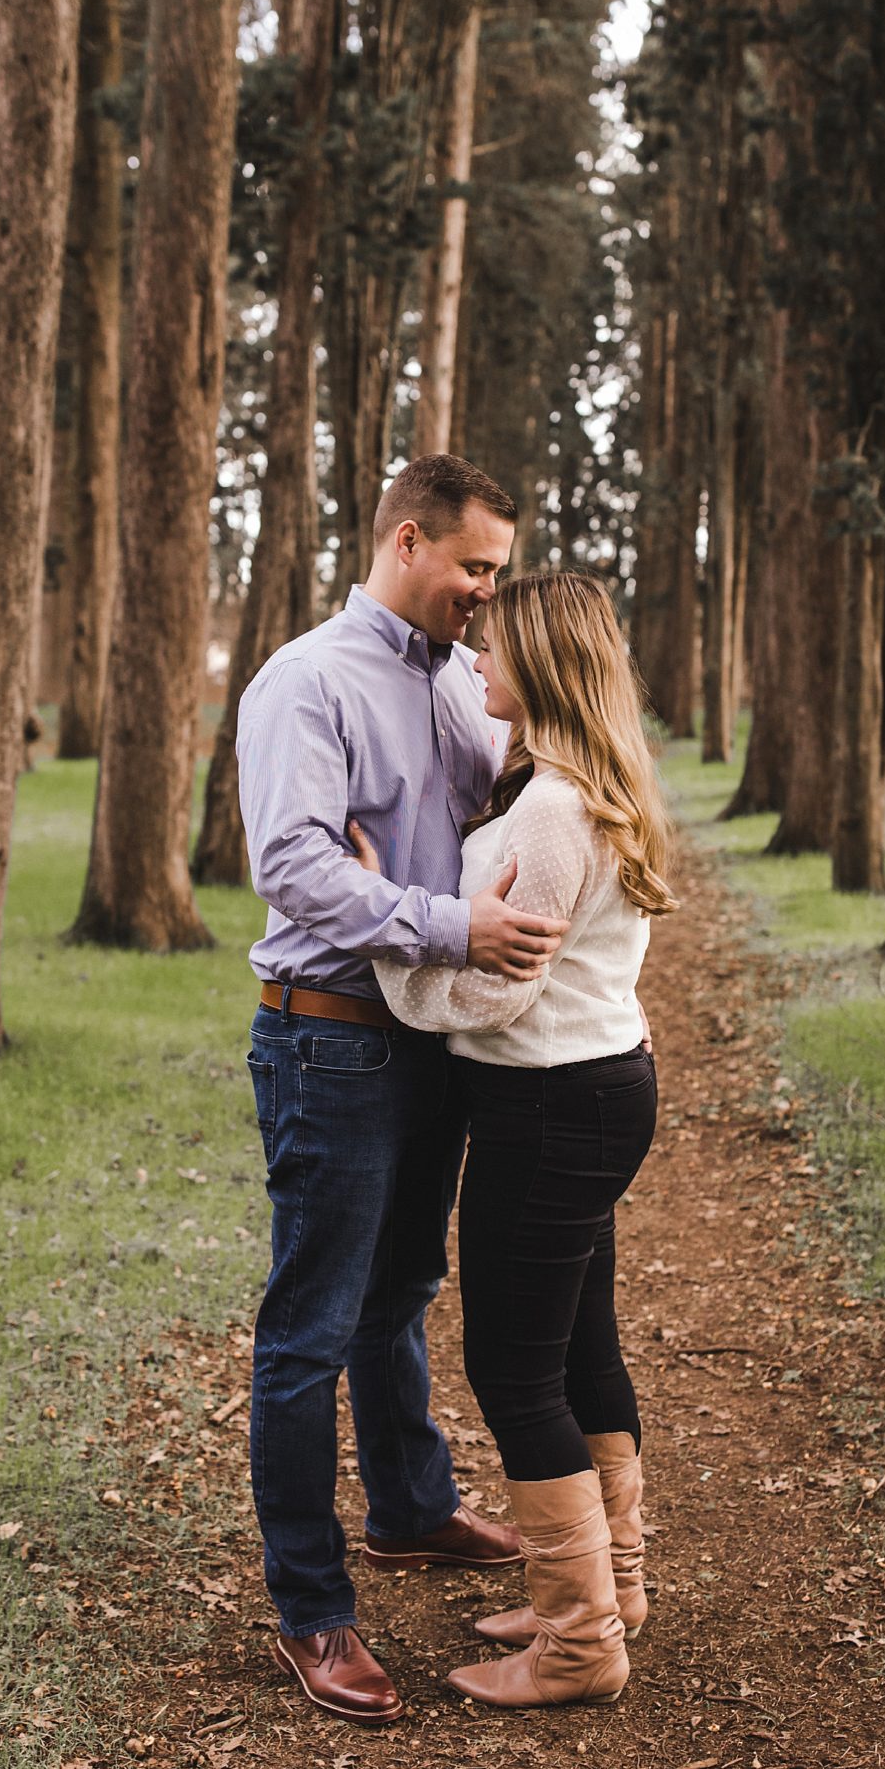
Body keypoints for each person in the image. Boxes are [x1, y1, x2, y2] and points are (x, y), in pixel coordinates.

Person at [238, 455, 570, 1726]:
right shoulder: (307, 681)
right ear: (409, 540)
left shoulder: (462, 690)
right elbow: (294, 868)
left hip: (432, 1038)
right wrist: (440, 921)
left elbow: (497, 816)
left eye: (496, 571)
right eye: (475, 566)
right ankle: (310, 1608)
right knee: (309, 1326)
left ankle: (411, 1507)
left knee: (404, 1292)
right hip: (332, 1039)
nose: (488, 591)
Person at [356, 570, 673, 1709]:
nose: (473, 661)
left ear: (539, 665)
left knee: (511, 1364)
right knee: (579, 1342)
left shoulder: (546, 811)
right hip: (594, 1091)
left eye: (491, 648)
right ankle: (603, 1586)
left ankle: (581, 1643)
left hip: (550, 1107)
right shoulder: (588, 787)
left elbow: (488, 993)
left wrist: (385, 939)